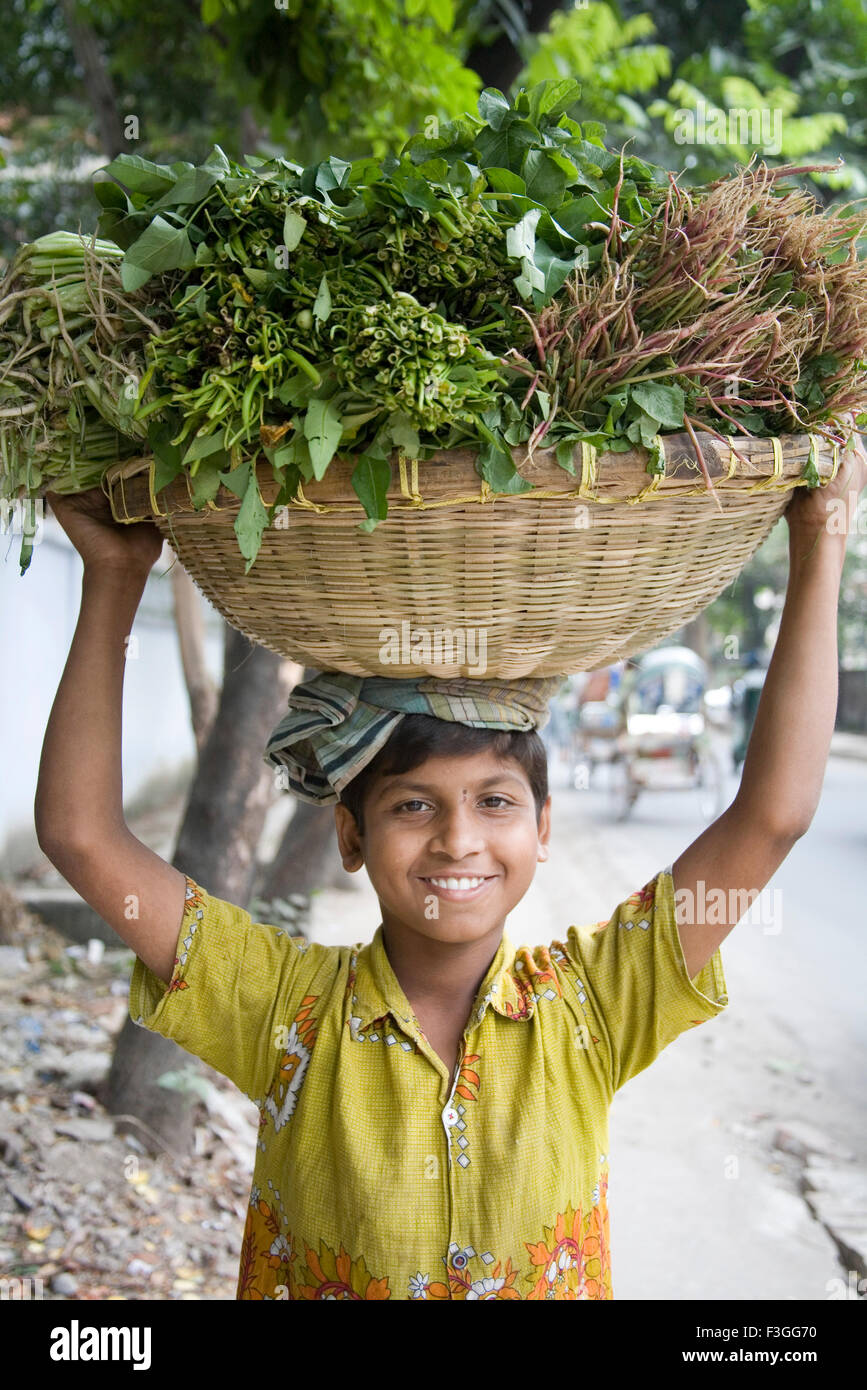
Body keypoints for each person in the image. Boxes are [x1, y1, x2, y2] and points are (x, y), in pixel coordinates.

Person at [34, 420, 867, 1301]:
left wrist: (822, 542)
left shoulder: (596, 1006)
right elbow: (81, 835)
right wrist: (115, 578)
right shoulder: (282, 1010)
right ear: (350, 838)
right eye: (411, 805)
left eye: (494, 802)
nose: (458, 841)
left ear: (542, 829)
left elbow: (772, 817)